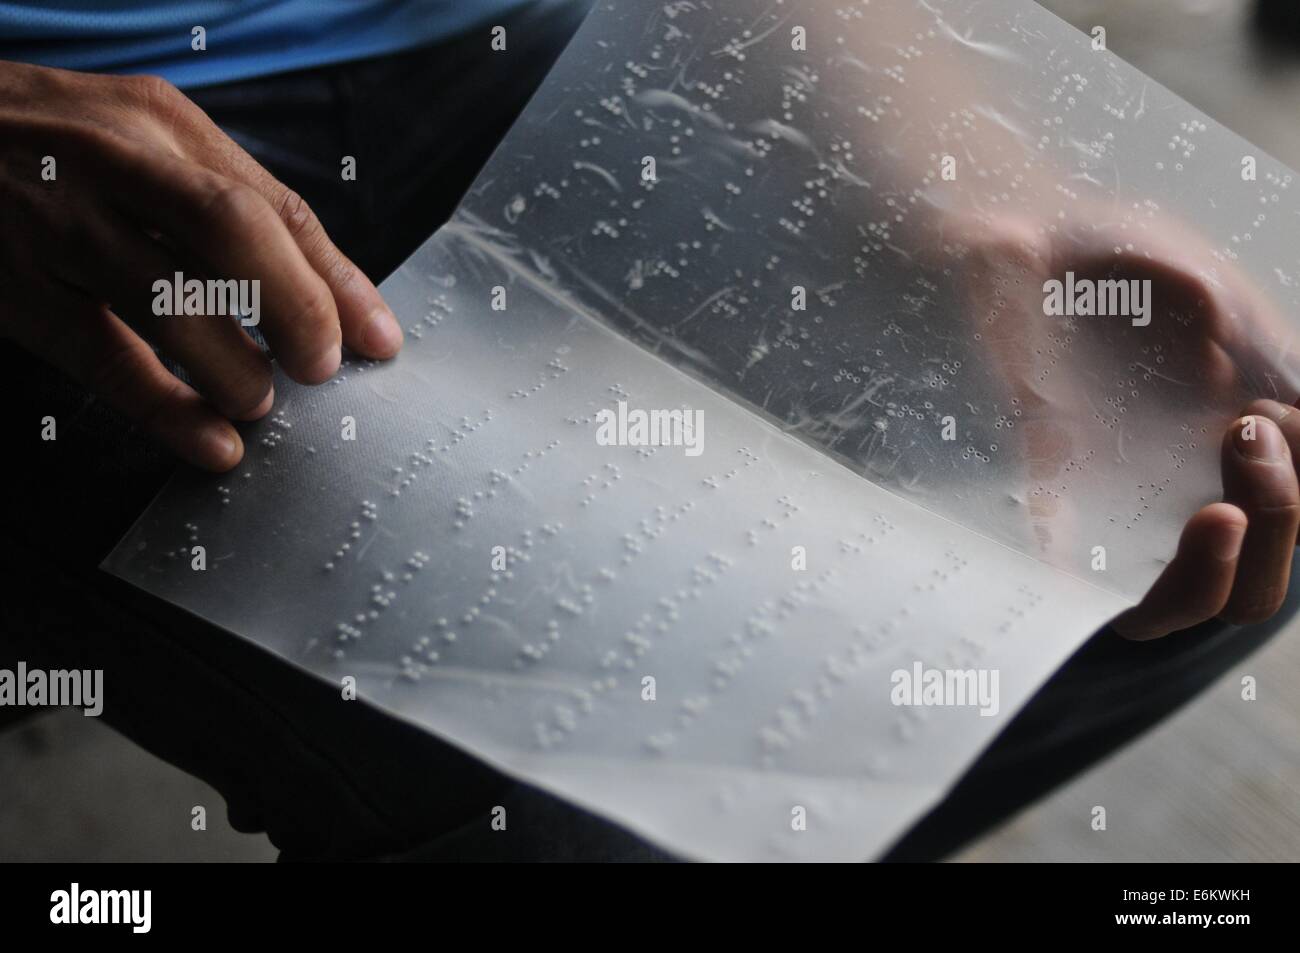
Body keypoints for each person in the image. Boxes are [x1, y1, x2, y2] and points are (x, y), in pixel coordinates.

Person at [0, 0, 1294, 860]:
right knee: (596, 794)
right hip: (71, 145)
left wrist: (985, 192)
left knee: (1203, 483)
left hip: (504, 28)